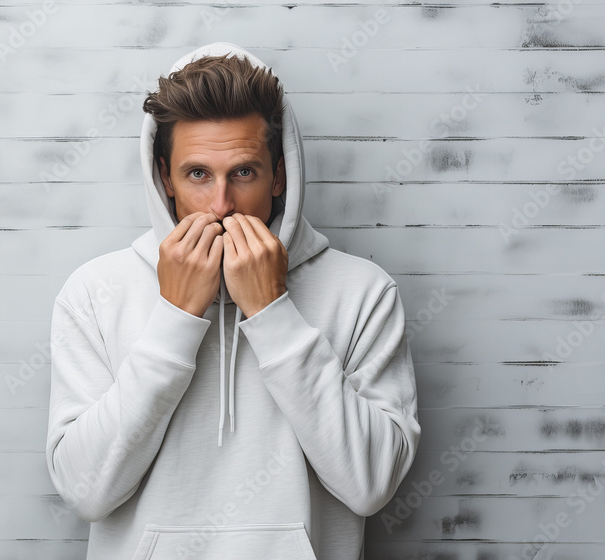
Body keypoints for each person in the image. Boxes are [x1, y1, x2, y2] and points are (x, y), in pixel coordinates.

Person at [45, 42, 420, 559]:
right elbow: (85, 492)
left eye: (243, 172)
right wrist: (175, 318)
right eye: (198, 174)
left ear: (279, 174)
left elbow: (371, 485)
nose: (221, 205)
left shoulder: (363, 292)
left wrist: (272, 312)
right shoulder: (94, 292)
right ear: (165, 178)